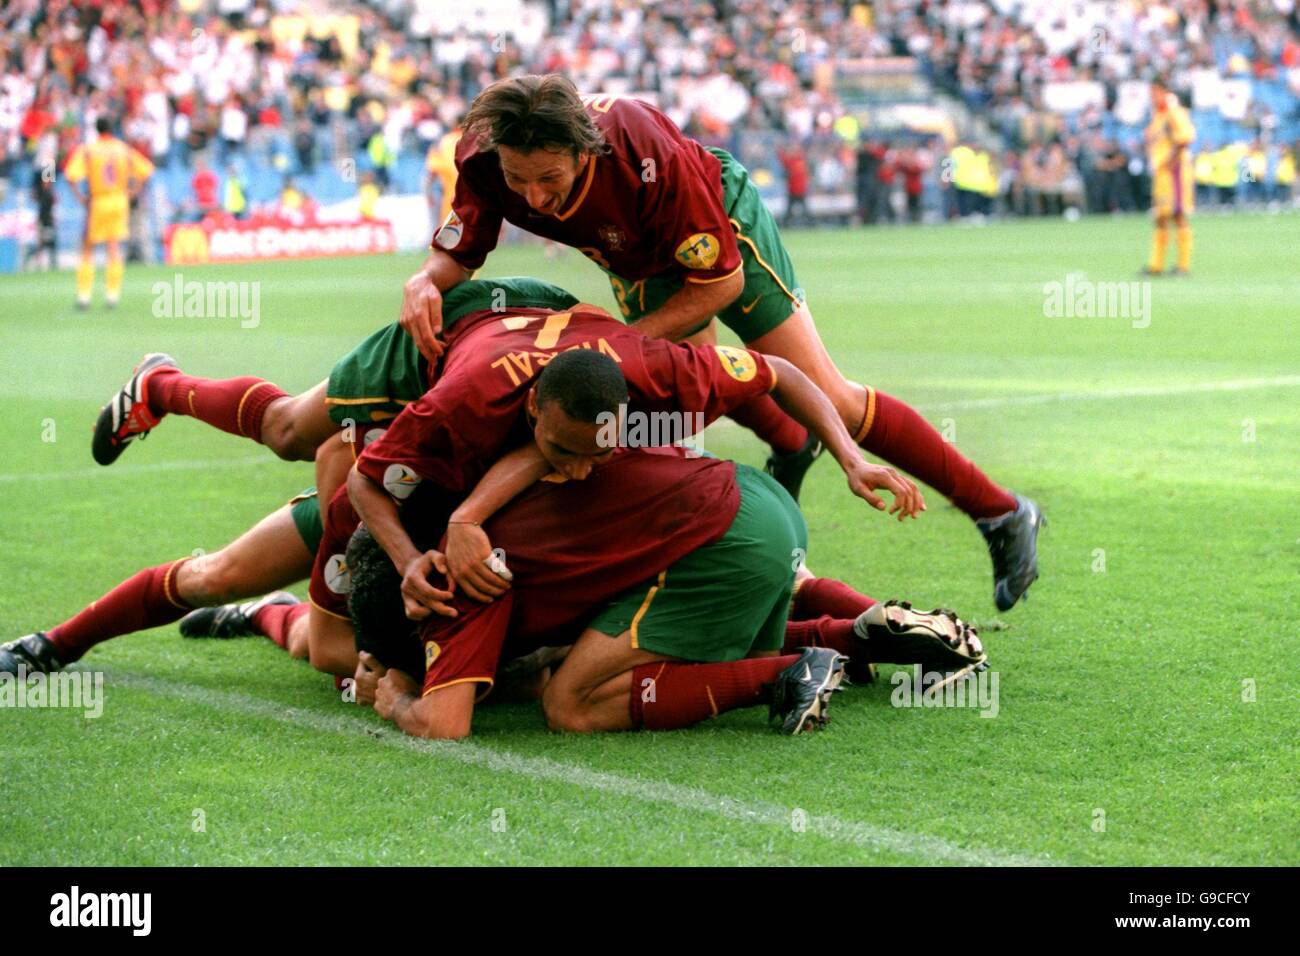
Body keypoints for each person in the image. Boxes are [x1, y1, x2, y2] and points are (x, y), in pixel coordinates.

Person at [398, 75, 1042, 609]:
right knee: (675, 398)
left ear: (585, 152)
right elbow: (458, 255)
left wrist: (618, 345)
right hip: (640, 264)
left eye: (549, 179)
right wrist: (426, 281)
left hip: (719, 231)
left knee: (832, 399)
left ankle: (1003, 513)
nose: (533, 197)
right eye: (519, 179)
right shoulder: (486, 157)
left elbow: (717, 284)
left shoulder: (640, 147)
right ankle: (791, 440)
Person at [350, 352, 982, 738]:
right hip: (761, 505)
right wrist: (850, 460)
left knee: (570, 704)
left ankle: (794, 671)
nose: (571, 469)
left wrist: (402, 695)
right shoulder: (592, 403)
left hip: (720, 542)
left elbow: (446, 724)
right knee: (674, 652)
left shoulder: (457, 581)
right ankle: (858, 634)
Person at [63, 116, 155, 310]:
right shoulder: (123, 149)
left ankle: (84, 297)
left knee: (88, 247)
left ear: (96, 129)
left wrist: (81, 198)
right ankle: (112, 296)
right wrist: (133, 192)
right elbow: (146, 171)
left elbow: (70, 176)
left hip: (98, 200)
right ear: (112, 129)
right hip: (119, 200)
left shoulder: (88, 149)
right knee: (113, 248)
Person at [1142, 77, 1196, 276]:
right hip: (1161, 173)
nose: (1152, 97)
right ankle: (1156, 266)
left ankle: (1183, 266)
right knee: (1161, 217)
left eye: (1155, 93)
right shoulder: (1159, 115)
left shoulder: (1174, 112)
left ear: (1164, 91)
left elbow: (1186, 136)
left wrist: (1172, 159)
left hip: (1175, 172)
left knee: (1179, 215)